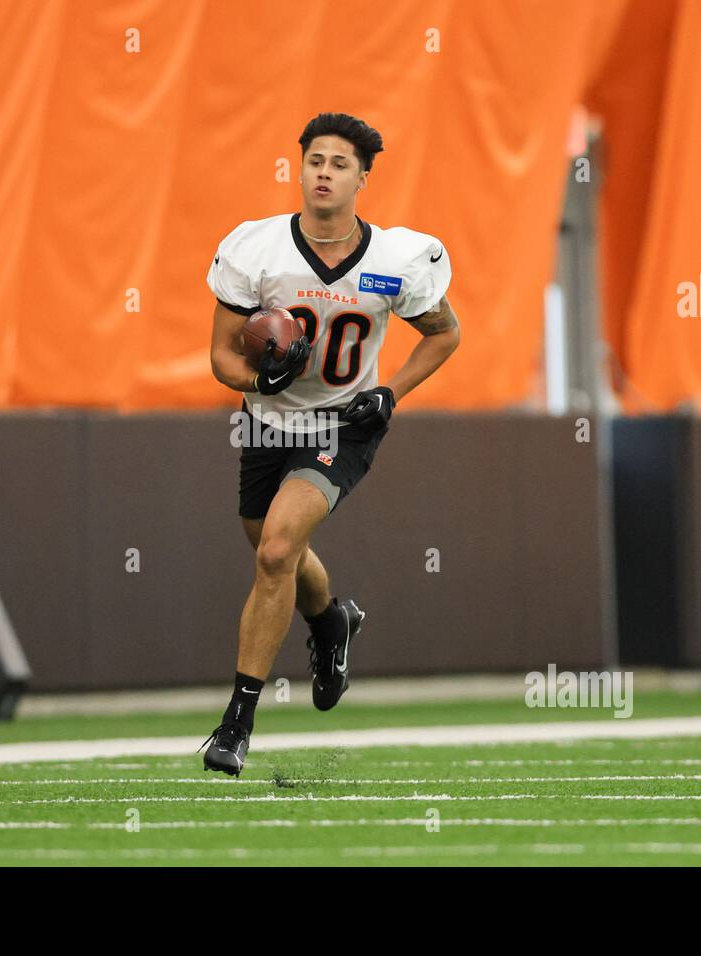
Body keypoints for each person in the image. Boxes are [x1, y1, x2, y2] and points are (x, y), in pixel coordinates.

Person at [200, 112, 461, 775]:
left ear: (362, 178)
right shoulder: (257, 249)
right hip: (265, 422)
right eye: (315, 160)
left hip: (342, 424)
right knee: (273, 550)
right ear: (299, 167)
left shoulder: (395, 260)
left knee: (278, 549)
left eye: (339, 164)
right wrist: (260, 377)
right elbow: (222, 357)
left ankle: (236, 725)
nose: (323, 173)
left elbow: (444, 333)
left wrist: (390, 392)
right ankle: (330, 622)